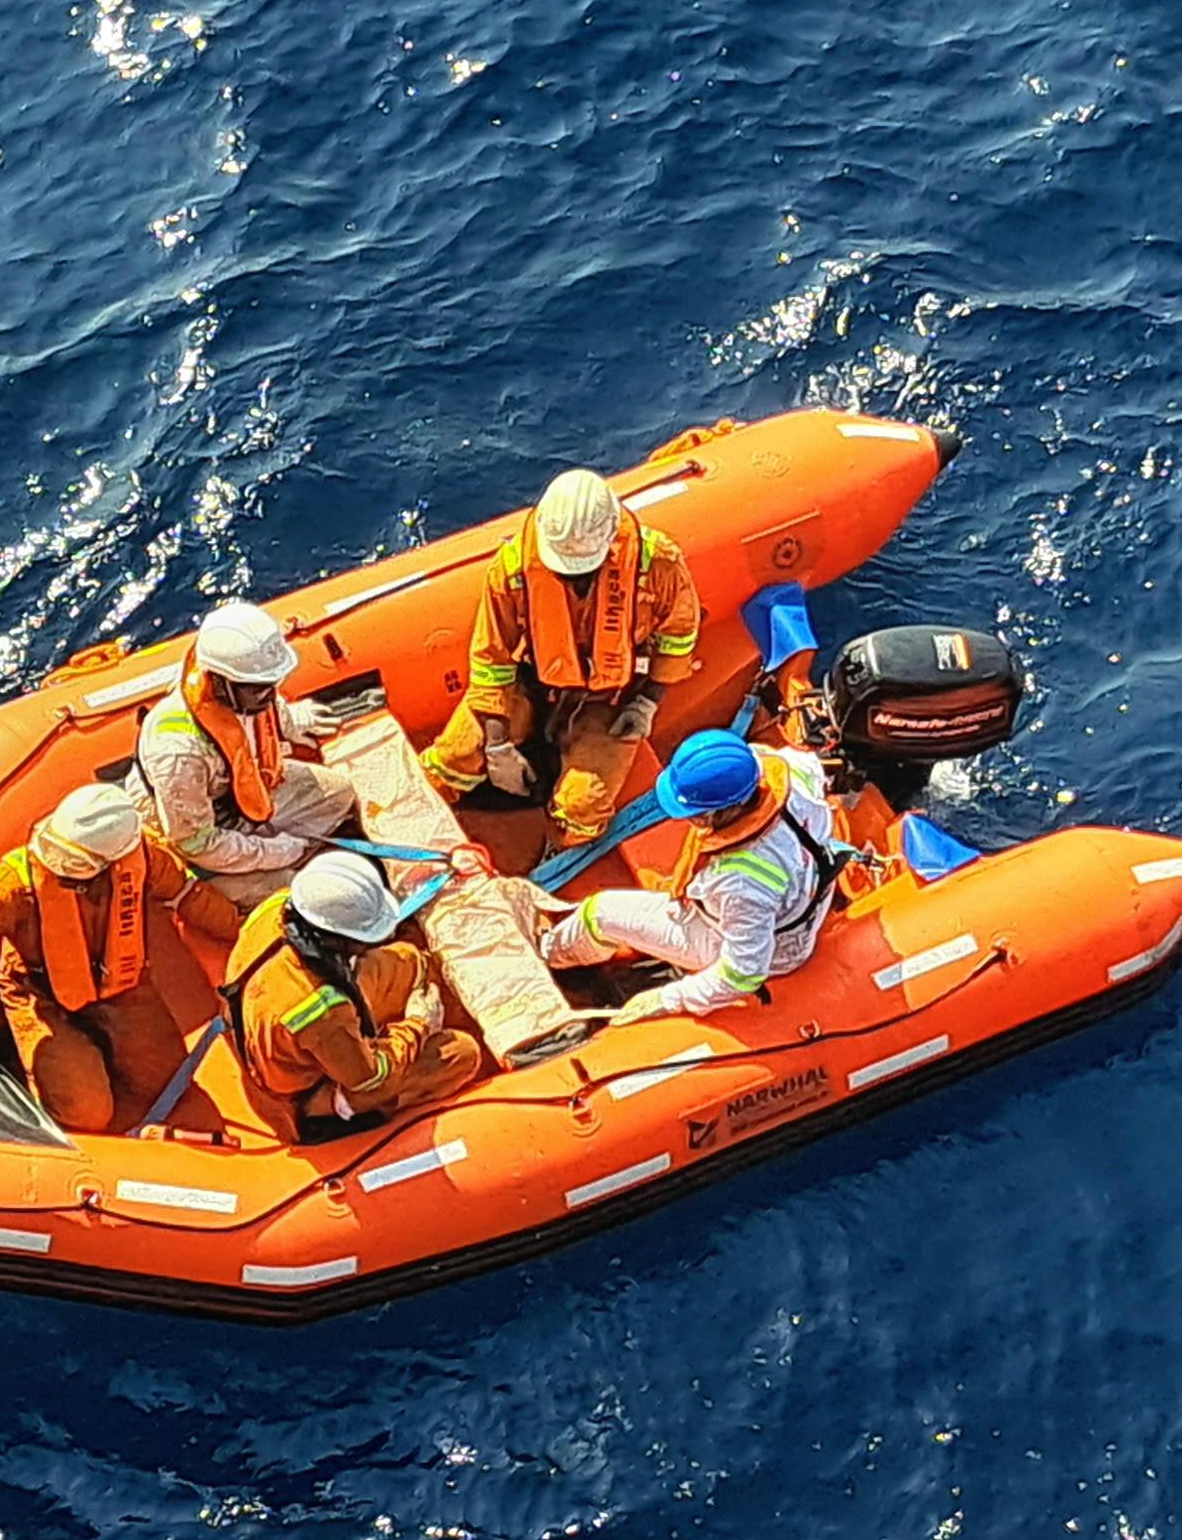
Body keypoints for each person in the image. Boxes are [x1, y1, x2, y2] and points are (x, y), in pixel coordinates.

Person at [0, 783, 196, 1133]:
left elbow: (190, 894)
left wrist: (246, 928)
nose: (54, 860)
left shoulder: (144, 859)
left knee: (171, 1079)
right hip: (38, 994)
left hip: (119, 985)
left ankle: (97, 1050)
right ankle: (36, 1074)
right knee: (86, 1112)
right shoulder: (11, 885)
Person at [423, 466, 704, 850]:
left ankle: (554, 852)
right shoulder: (513, 568)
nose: (573, 580)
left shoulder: (658, 565)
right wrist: (497, 746)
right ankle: (419, 845)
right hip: (530, 684)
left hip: (610, 699)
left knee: (582, 808)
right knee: (450, 760)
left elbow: (678, 637)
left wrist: (647, 703)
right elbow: (491, 661)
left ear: (610, 540)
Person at [538, 729, 853, 1021]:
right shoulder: (783, 767)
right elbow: (814, 766)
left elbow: (744, 972)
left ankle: (547, 955)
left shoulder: (742, 883)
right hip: (795, 897)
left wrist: (670, 999)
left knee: (599, 915)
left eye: (696, 815)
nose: (691, 821)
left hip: (770, 946)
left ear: (724, 810)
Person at [224, 848, 487, 1131]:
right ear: (338, 940)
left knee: (408, 960)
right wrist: (418, 1025)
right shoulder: (317, 1009)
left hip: (270, 1030)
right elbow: (371, 1078)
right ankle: (343, 1114)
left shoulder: (276, 907)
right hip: (301, 1093)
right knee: (460, 1054)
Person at [139, 598, 359, 890]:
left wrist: (291, 721)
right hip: (198, 829)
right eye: (259, 688)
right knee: (285, 884)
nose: (271, 695)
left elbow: (258, 710)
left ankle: (293, 849)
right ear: (219, 682)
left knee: (338, 796)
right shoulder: (179, 754)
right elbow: (196, 843)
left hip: (240, 791)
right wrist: (277, 852)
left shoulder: (242, 692)